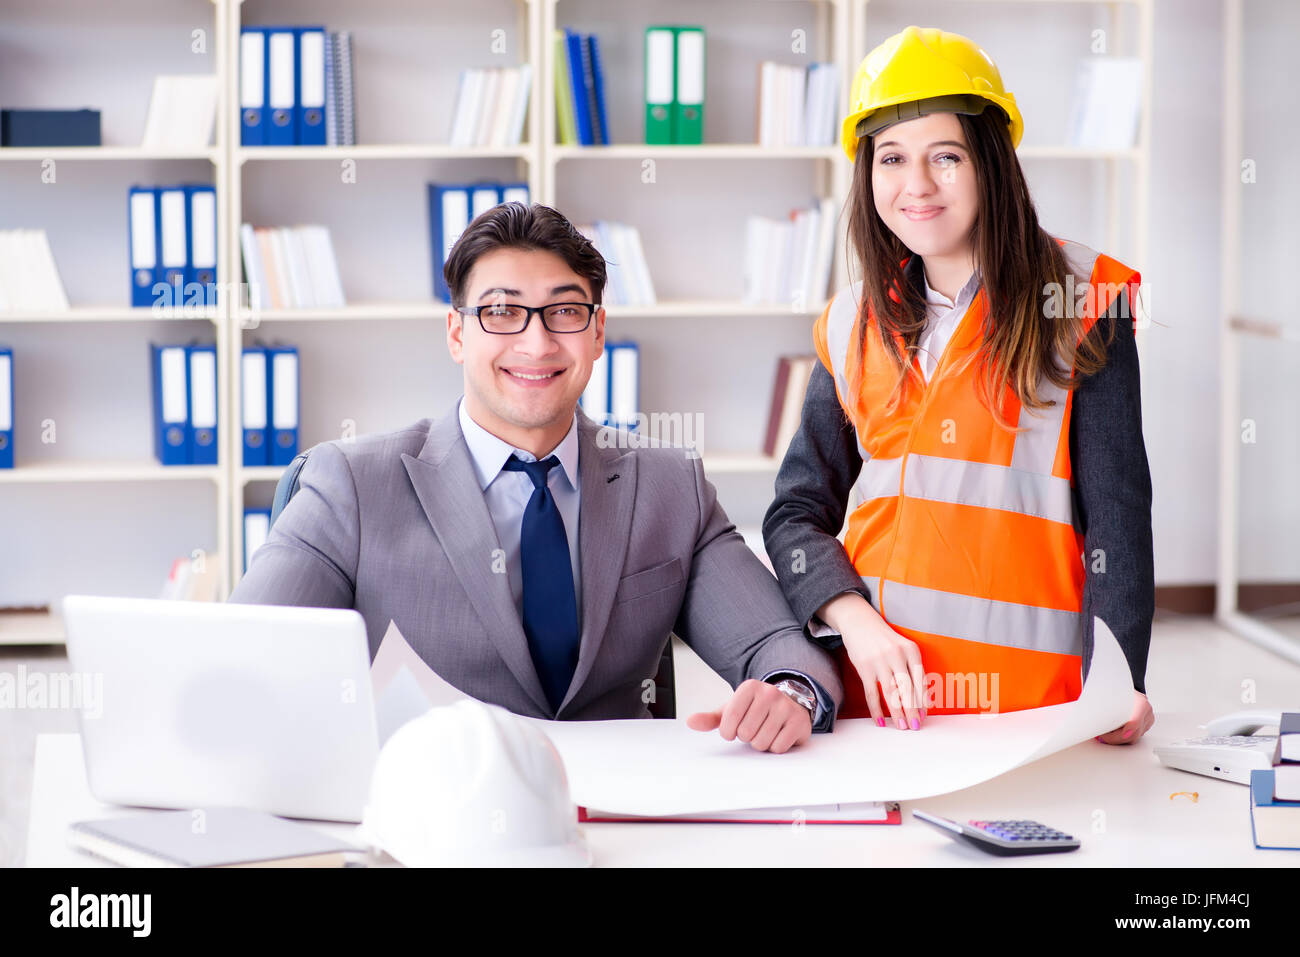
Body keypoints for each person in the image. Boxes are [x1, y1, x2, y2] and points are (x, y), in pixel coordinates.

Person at [230, 201, 843, 753]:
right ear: (457, 333)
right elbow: (239, 662)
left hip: (617, 826)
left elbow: (781, 647)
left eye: (564, 311)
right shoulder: (352, 486)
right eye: (501, 312)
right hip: (433, 829)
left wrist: (790, 694)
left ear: (597, 332)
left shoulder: (668, 485)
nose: (537, 341)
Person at [762, 26, 1155, 745]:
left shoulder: (1082, 299)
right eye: (892, 158)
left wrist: (1120, 681)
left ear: (991, 164)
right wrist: (855, 622)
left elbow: (1117, 515)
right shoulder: (852, 321)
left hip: (1034, 716)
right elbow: (795, 514)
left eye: (946, 156)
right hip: (876, 710)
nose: (916, 184)